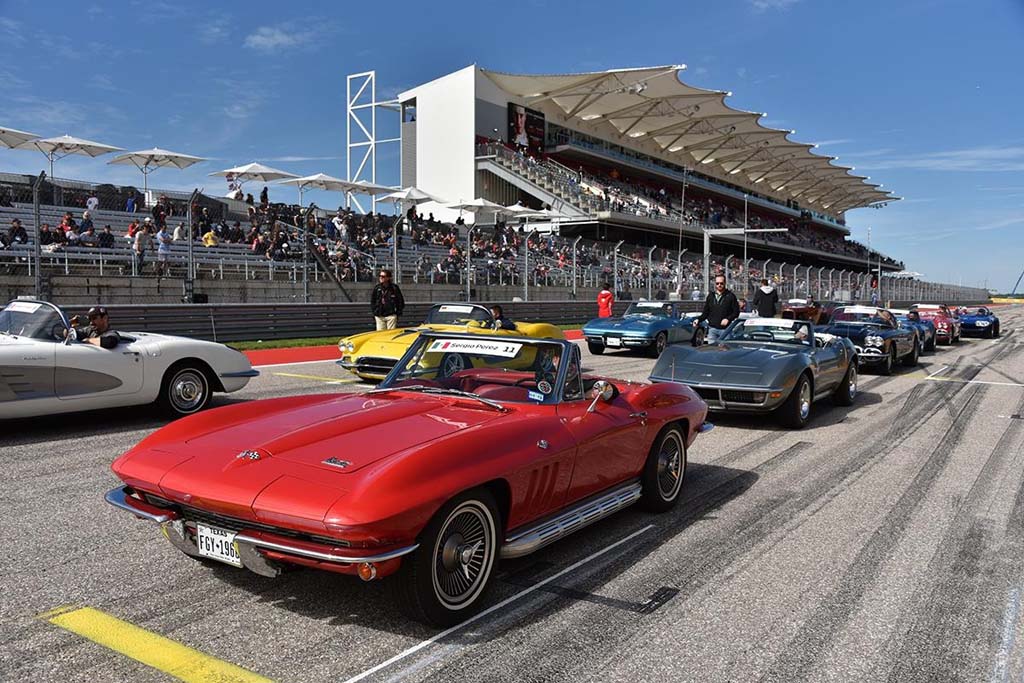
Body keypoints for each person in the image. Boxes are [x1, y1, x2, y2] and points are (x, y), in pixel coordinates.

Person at [694, 274, 740, 344]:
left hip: (725, 331)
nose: (719, 285)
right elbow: (706, 312)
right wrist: (698, 319)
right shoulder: (710, 296)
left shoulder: (730, 296)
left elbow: (736, 312)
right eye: (717, 283)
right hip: (712, 329)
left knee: (725, 352)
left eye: (721, 283)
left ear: (725, 283)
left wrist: (728, 319)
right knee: (712, 352)